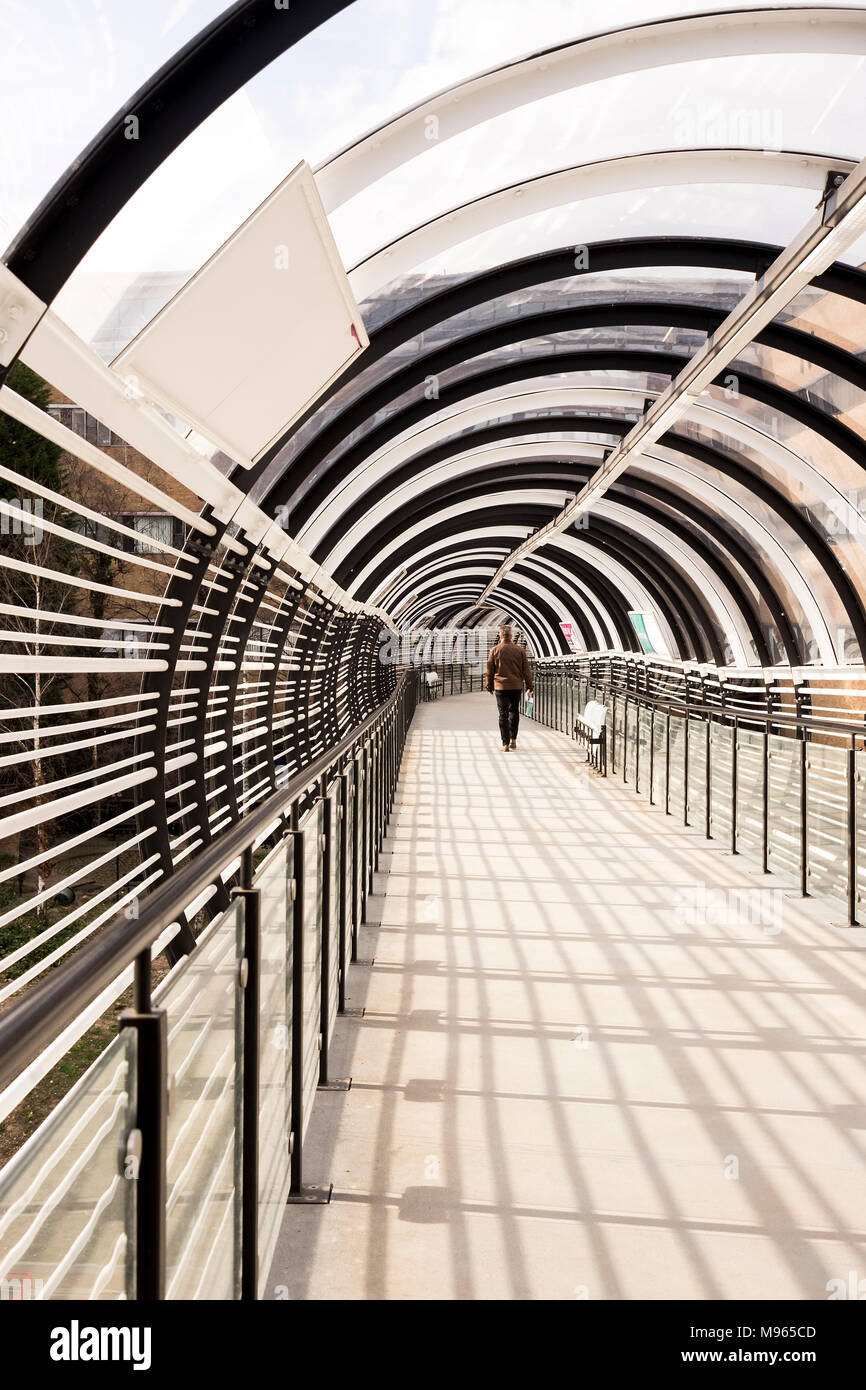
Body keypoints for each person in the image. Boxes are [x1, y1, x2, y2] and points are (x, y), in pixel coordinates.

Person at [485, 625, 534, 750]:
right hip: (516, 686)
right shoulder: (520, 650)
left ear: (501, 635)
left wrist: (489, 686)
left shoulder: (494, 650)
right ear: (511, 636)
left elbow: (489, 671)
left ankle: (505, 743)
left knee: (503, 714)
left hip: (500, 687)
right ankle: (513, 740)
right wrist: (530, 686)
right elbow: (526, 671)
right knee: (514, 712)